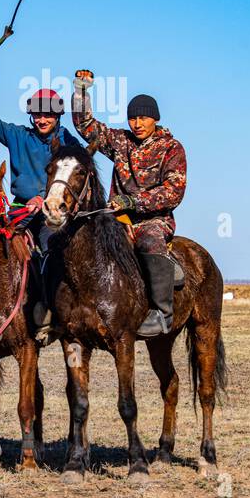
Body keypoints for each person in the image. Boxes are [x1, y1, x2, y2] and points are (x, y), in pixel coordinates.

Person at [0, 65, 82, 341]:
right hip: (20, 208)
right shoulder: (18, 135)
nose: (42, 119)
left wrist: (48, 199)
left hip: (53, 213)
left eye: (48, 114)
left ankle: (50, 314)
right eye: (37, 114)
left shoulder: (68, 142)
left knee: (51, 249)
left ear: (58, 116)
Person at [70, 72, 187, 337]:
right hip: (118, 219)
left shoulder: (171, 148)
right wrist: (81, 90)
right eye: (133, 118)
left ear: (155, 118)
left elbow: (173, 191)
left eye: (143, 117)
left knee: (149, 241)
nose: (137, 123)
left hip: (153, 221)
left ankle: (162, 313)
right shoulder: (120, 141)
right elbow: (86, 127)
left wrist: (133, 201)